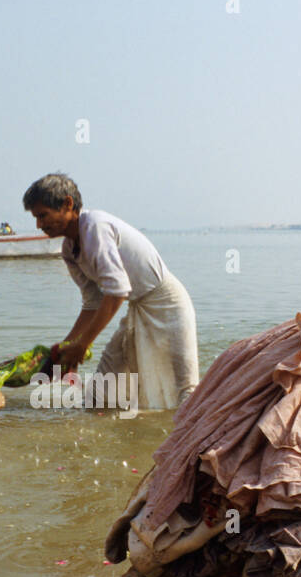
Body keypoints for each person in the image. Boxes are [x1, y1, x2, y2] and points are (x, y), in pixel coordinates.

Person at [23, 172, 198, 410]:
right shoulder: (68, 250)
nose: (39, 225)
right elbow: (92, 303)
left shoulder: (94, 227)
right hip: (139, 308)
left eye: (43, 215)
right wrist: (64, 350)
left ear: (67, 204)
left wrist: (83, 344)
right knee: (100, 392)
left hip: (168, 304)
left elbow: (117, 291)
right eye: (36, 218)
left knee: (187, 389)